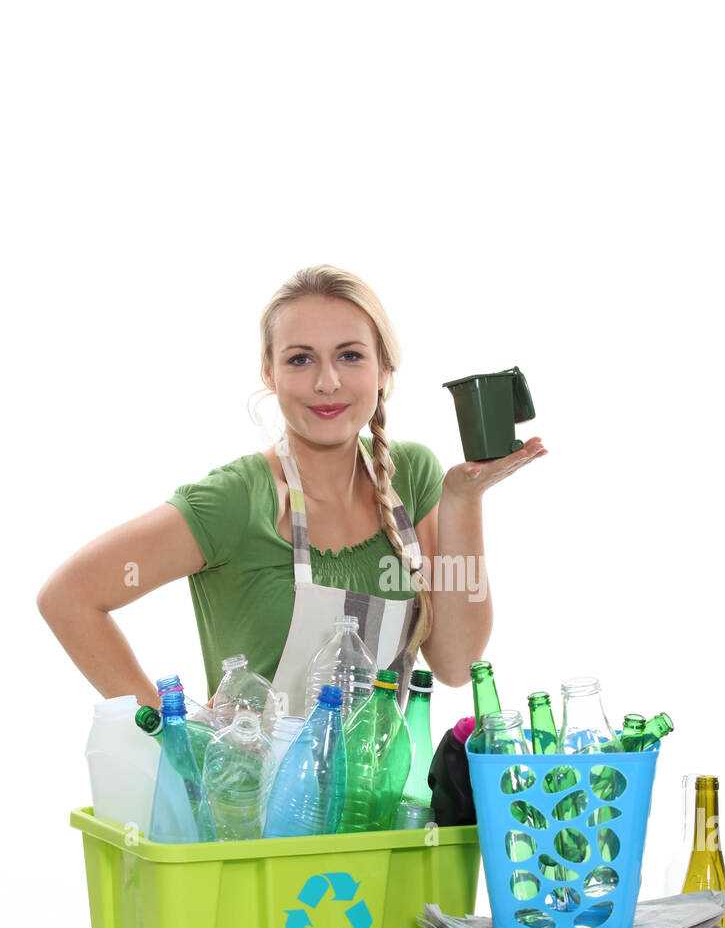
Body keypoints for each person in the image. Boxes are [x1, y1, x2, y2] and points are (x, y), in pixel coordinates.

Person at [37, 264, 546, 713]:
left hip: (384, 815)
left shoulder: (411, 476)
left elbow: (456, 663)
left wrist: (464, 500)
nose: (327, 382)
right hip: (255, 817)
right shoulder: (236, 500)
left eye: (350, 356)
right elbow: (69, 598)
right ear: (269, 371)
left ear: (385, 370)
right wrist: (170, 731)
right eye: (300, 359)